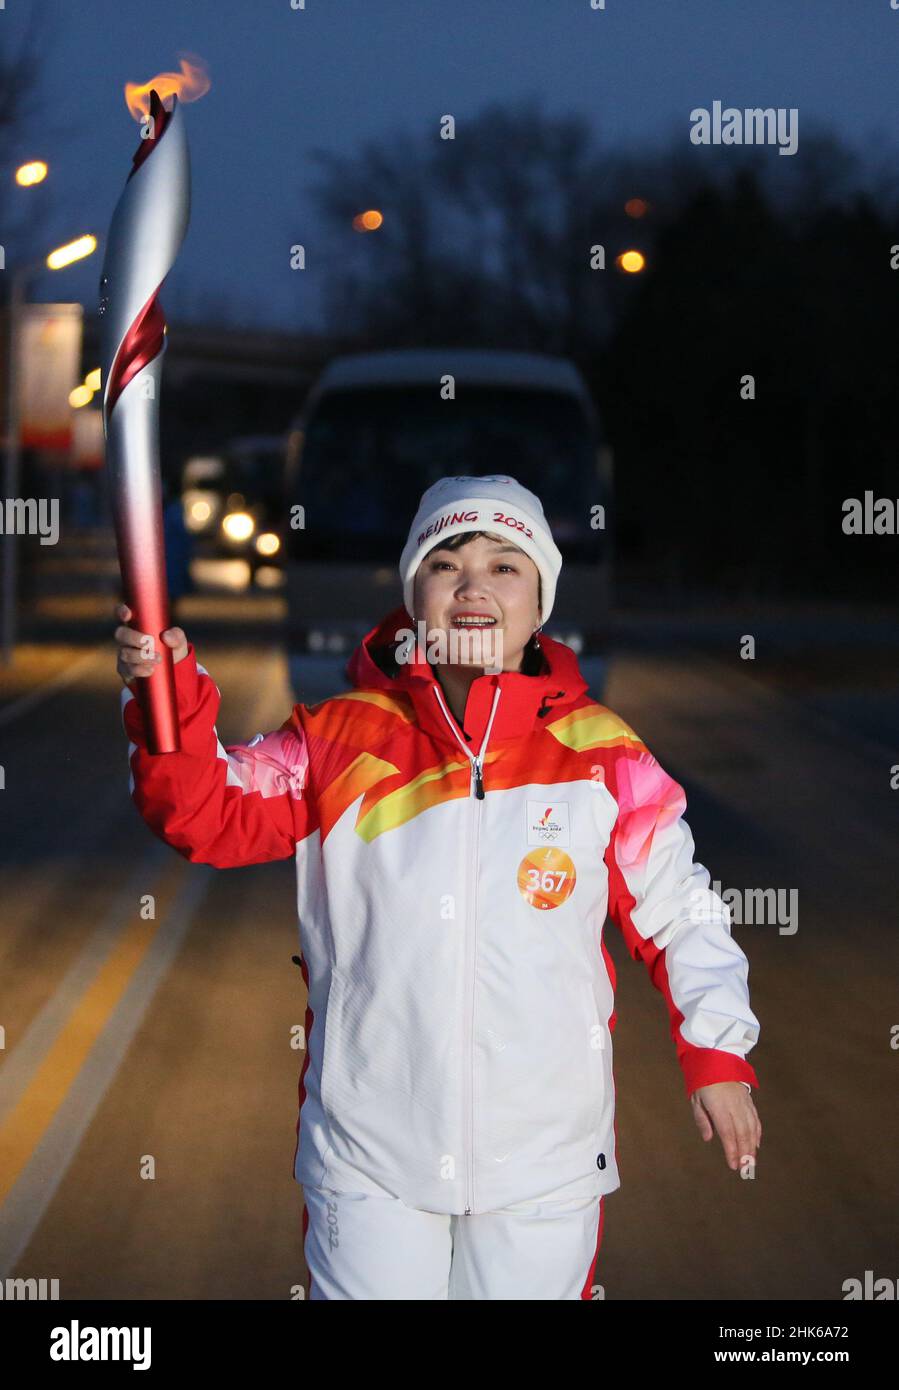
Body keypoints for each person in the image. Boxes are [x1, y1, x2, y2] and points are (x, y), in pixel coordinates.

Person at [113, 474, 761, 1301]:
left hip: (545, 1158)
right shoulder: (338, 741)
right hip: (369, 1153)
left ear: (540, 604)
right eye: (446, 563)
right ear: (414, 594)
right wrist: (164, 696)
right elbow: (202, 812)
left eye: (505, 566)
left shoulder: (602, 756)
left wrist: (716, 1054)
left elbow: (680, 913)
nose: (473, 587)